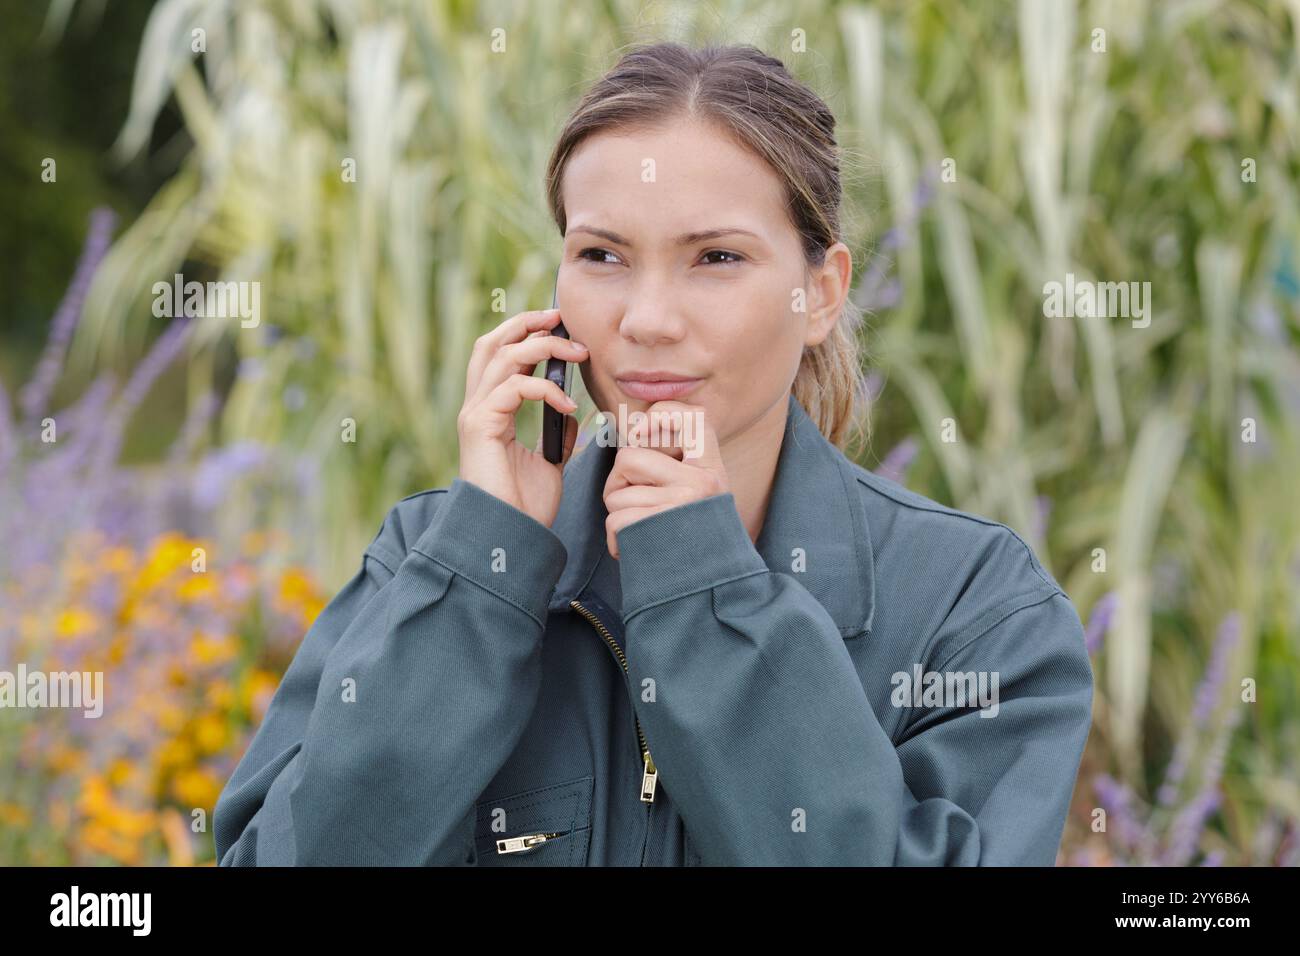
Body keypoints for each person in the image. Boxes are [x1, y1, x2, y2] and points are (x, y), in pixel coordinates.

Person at [213, 41, 1094, 866]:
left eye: (715, 257)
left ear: (820, 293)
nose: (647, 320)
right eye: (602, 255)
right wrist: (484, 577)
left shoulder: (978, 609)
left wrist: (704, 587)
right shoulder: (429, 561)